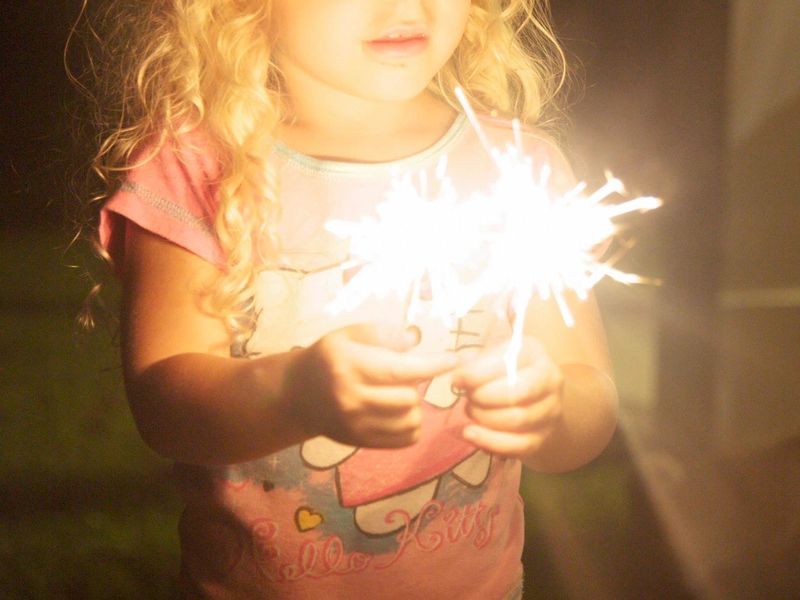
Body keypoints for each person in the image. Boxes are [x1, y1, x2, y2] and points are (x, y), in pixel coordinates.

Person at [85, 0, 618, 597]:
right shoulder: (201, 168)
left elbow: (590, 398)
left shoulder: (519, 169)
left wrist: (551, 411)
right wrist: (297, 392)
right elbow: (164, 407)